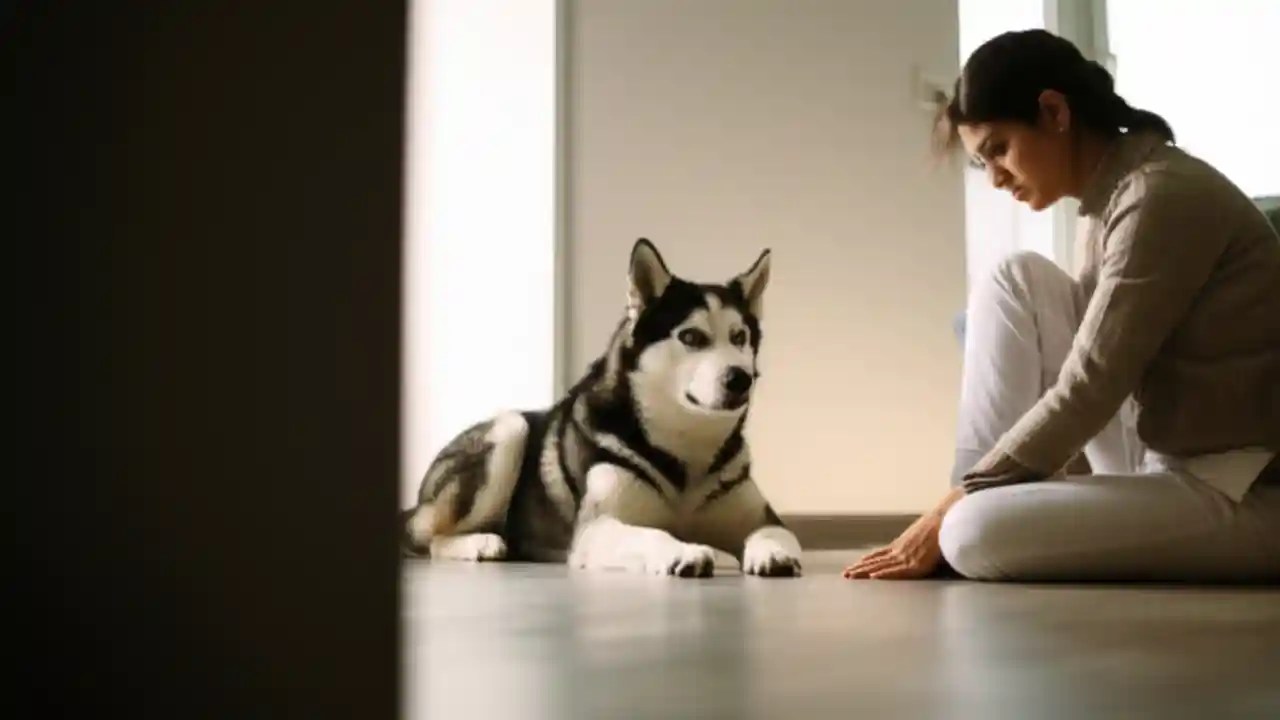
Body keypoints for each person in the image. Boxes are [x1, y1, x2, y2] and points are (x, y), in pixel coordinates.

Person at [844, 29, 1280, 583]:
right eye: (983, 163)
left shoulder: (1159, 195)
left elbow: (1091, 384)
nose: (996, 177)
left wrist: (952, 506)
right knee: (1014, 279)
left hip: (1238, 487)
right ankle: (966, 504)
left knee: (967, 530)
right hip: (1162, 457)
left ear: (1054, 112)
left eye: (999, 149)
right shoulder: (1108, 200)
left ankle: (959, 516)